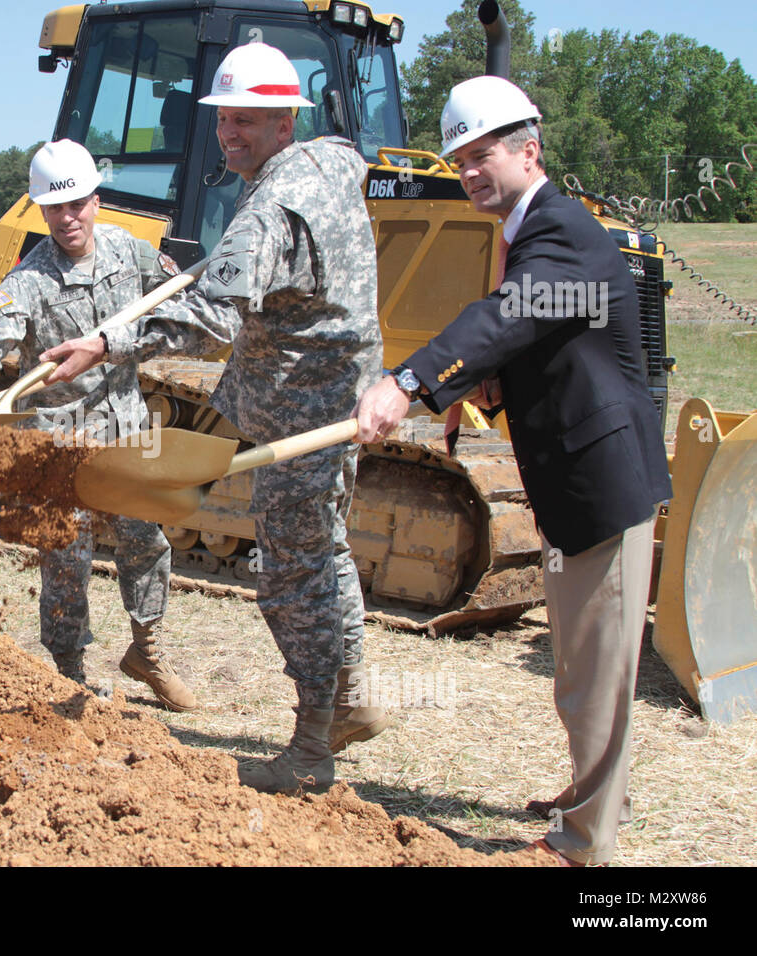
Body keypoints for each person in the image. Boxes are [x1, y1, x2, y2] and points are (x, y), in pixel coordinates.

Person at [40, 42, 388, 792]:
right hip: (348, 393)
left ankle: (311, 749)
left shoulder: (265, 211)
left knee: (291, 578)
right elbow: (351, 156)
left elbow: (208, 323)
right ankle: (353, 699)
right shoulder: (330, 161)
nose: (231, 133)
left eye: (248, 120)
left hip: (303, 416)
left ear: (282, 118)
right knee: (324, 553)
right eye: (225, 118)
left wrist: (106, 342)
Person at [354, 76, 672, 865]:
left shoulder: (558, 230)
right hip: (576, 480)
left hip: (602, 482)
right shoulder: (536, 230)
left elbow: (510, 315)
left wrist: (409, 381)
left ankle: (583, 845)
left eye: (482, 156)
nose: (469, 175)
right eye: (459, 162)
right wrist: (475, 384)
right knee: (578, 660)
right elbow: (542, 336)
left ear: (530, 150)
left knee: (593, 673)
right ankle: (593, 792)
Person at [0, 139, 196, 712]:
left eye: (78, 204)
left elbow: (178, 296)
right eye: (54, 208)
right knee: (65, 557)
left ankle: (147, 649)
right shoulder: (29, 279)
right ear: (41, 211)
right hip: (61, 441)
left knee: (146, 542)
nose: (68, 218)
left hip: (128, 431)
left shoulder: (129, 253)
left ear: (96, 199)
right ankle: (69, 668)